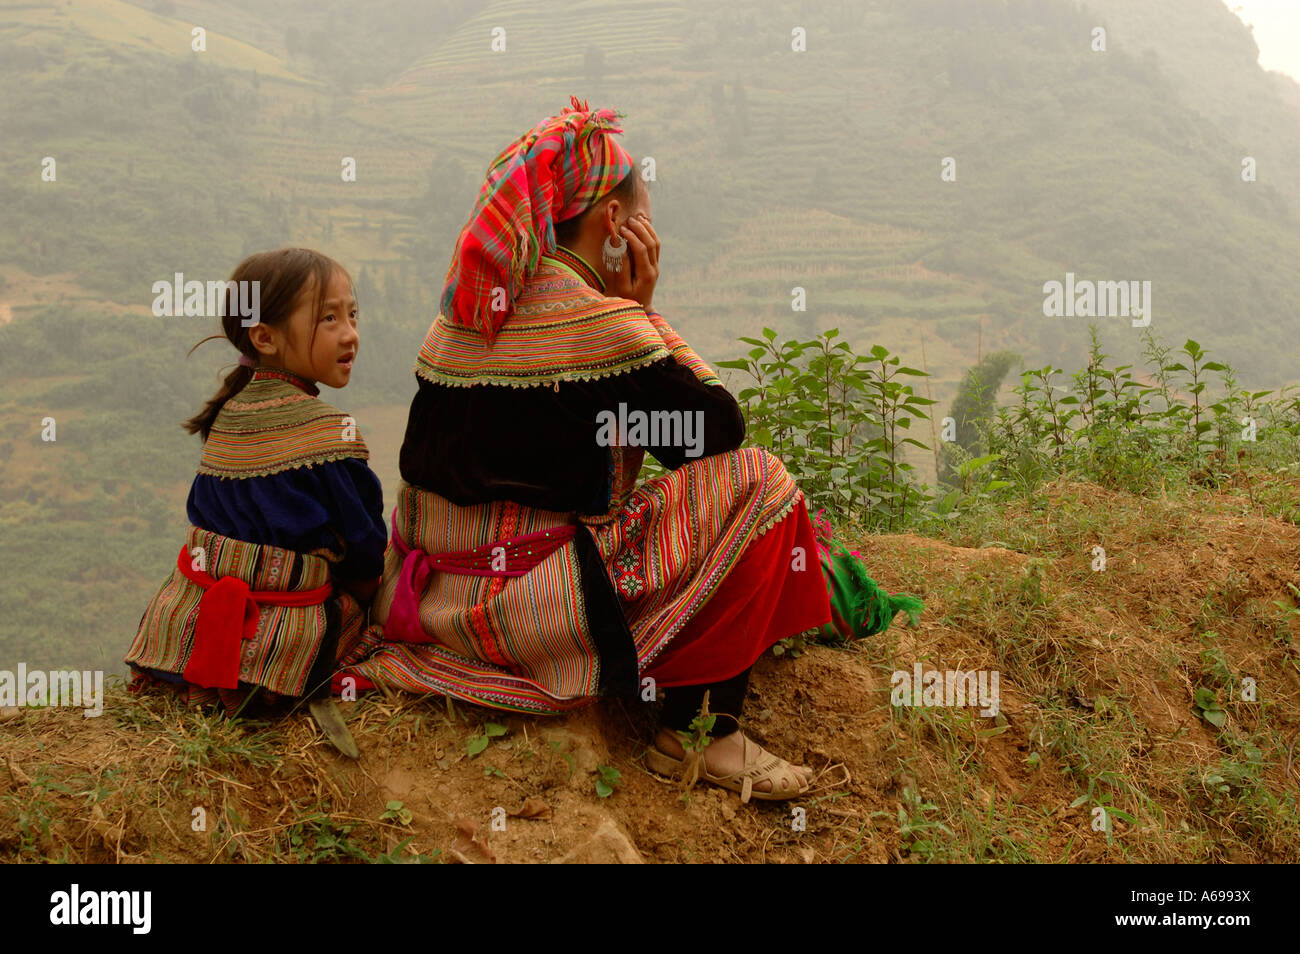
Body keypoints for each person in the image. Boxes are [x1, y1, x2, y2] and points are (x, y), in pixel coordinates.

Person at [338, 98, 919, 801]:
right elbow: (716, 437)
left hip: (431, 605)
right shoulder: (598, 323)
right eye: (643, 215)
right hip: (527, 617)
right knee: (761, 481)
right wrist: (642, 311)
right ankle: (704, 732)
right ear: (615, 224)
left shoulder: (460, 317)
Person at [125, 248, 386, 757]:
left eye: (351, 315)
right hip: (279, 638)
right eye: (327, 318)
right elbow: (365, 550)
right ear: (264, 337)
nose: (349, 333)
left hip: (188, 627)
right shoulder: (329, 436)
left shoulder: (228, 417)